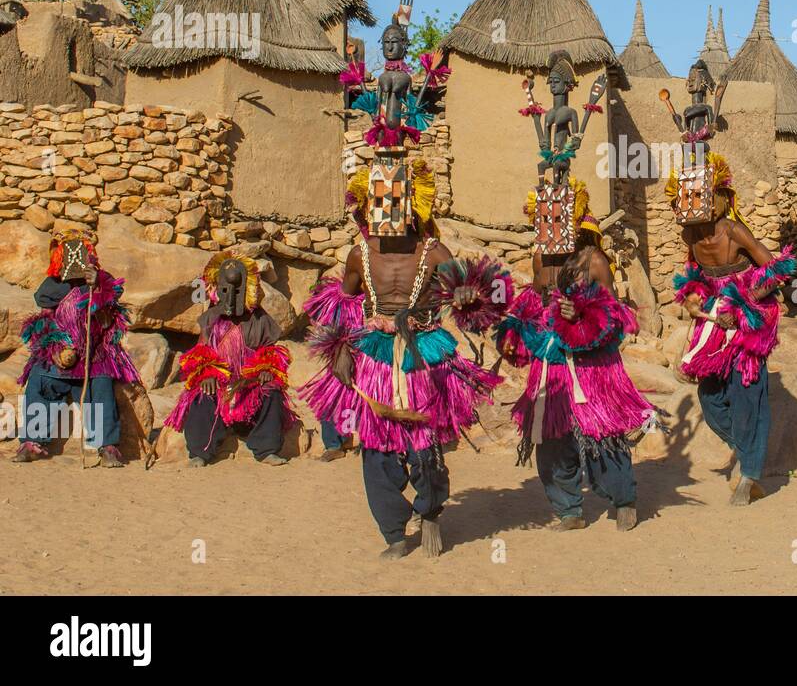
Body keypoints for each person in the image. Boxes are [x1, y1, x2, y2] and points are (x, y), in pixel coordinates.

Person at [299, 159, 500, 559]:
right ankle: (393, 532)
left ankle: (429, 511)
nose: (387, 210)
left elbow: (476, 292)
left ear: (411, 205)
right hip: (375, 357)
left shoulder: (433, 251)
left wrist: (467, 296)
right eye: (379, 201)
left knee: (425, 446)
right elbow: (343, 302)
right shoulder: (358, 255)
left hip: (422, 355)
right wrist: (340, 346)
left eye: (395, 200)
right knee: (376, 447)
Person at [497, 191, 659, 531]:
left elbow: (617, 315)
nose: (550, 225)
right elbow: (532, 302)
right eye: (544, 219)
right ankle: (569, 510)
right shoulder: (540, 258)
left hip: (591, 368)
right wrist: (514, 335)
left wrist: (583, 315)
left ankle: (623, 499)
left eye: (557, 218)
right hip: (551, 368)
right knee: (552, 441)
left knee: (602, 436)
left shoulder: (593, 260)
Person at [669, 152, 797, 505]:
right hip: (715, 320)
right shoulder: (690, 236)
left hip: (750, 317)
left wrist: (743, 305)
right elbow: (696, 276)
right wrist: (695, 297)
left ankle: (750, 475)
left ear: (719, 197)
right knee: (710, 397)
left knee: (748, 391)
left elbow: (778, 269)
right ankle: (744, 449)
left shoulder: (734, 230)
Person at [14, 233, 139, 467]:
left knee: (101, 387)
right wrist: (55, 348)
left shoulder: (99, 280)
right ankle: (32, 441)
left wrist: (96, 282)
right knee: (38, 380)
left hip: (94, 357)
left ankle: (107, 446)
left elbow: (113, 295)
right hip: (59, 356)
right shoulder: (53, 286)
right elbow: (42, 300)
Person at [163, 253, 294, 466]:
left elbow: (271, 352)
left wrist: (263, 371)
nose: (232, 296)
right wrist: (207, 374)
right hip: (220, 388)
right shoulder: (210, 319)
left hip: (248, 387)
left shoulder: (259, 319)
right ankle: (200, 452)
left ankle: (266, 448)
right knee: (201, 394)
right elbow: (199, 353)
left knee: (272, 389)